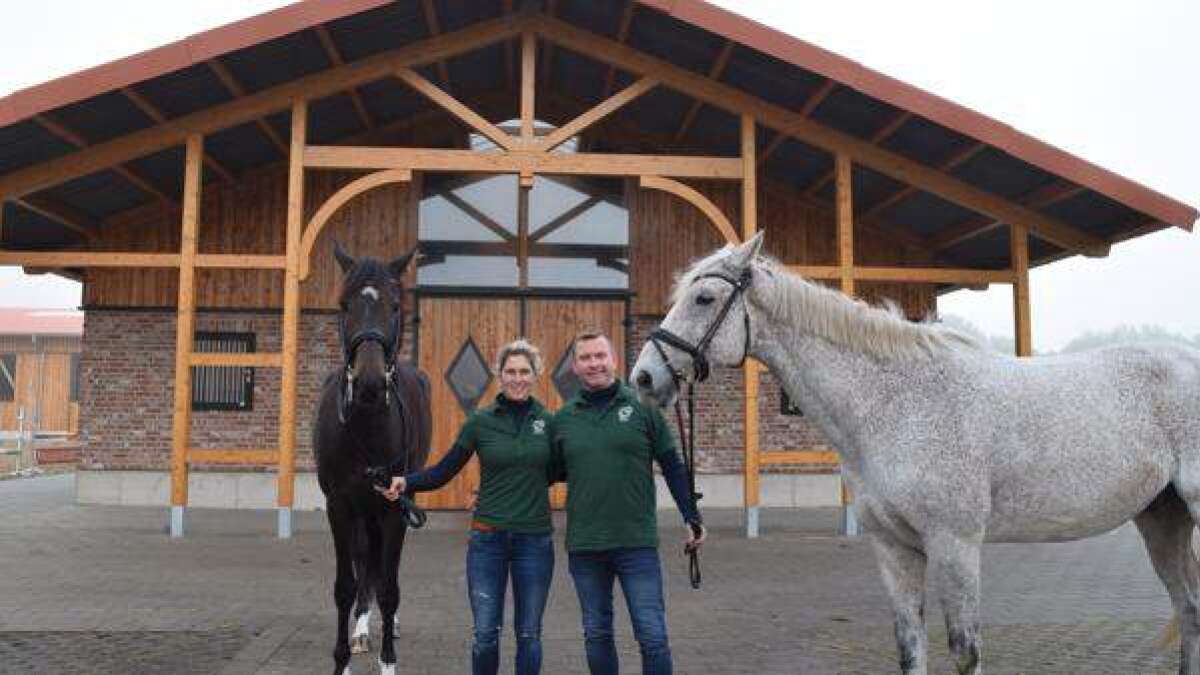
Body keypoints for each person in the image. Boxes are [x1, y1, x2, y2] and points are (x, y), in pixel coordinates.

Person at [380, 339, 555, 675]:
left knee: (530, 635)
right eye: (510, 372)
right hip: (487, 541)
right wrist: (408, 481)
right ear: (500, 376)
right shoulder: (480, 421)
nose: (517, 378)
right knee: (486, 635)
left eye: (524, 371)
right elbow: (445, 470)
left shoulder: (549, 423)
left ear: (535, 376)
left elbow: (560, 470)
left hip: (535, 542)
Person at [550, 330, 705, 675]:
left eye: (599, 356)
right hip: (585, 545)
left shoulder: (643, 407)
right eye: (586, 358)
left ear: (614, 360)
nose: (594, 364)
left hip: (636, 543)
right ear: (575, 366)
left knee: (652, 635)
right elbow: (545, 473)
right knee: (597, 634)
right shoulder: (563, 420)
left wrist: (690, 515)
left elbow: (672, 465)